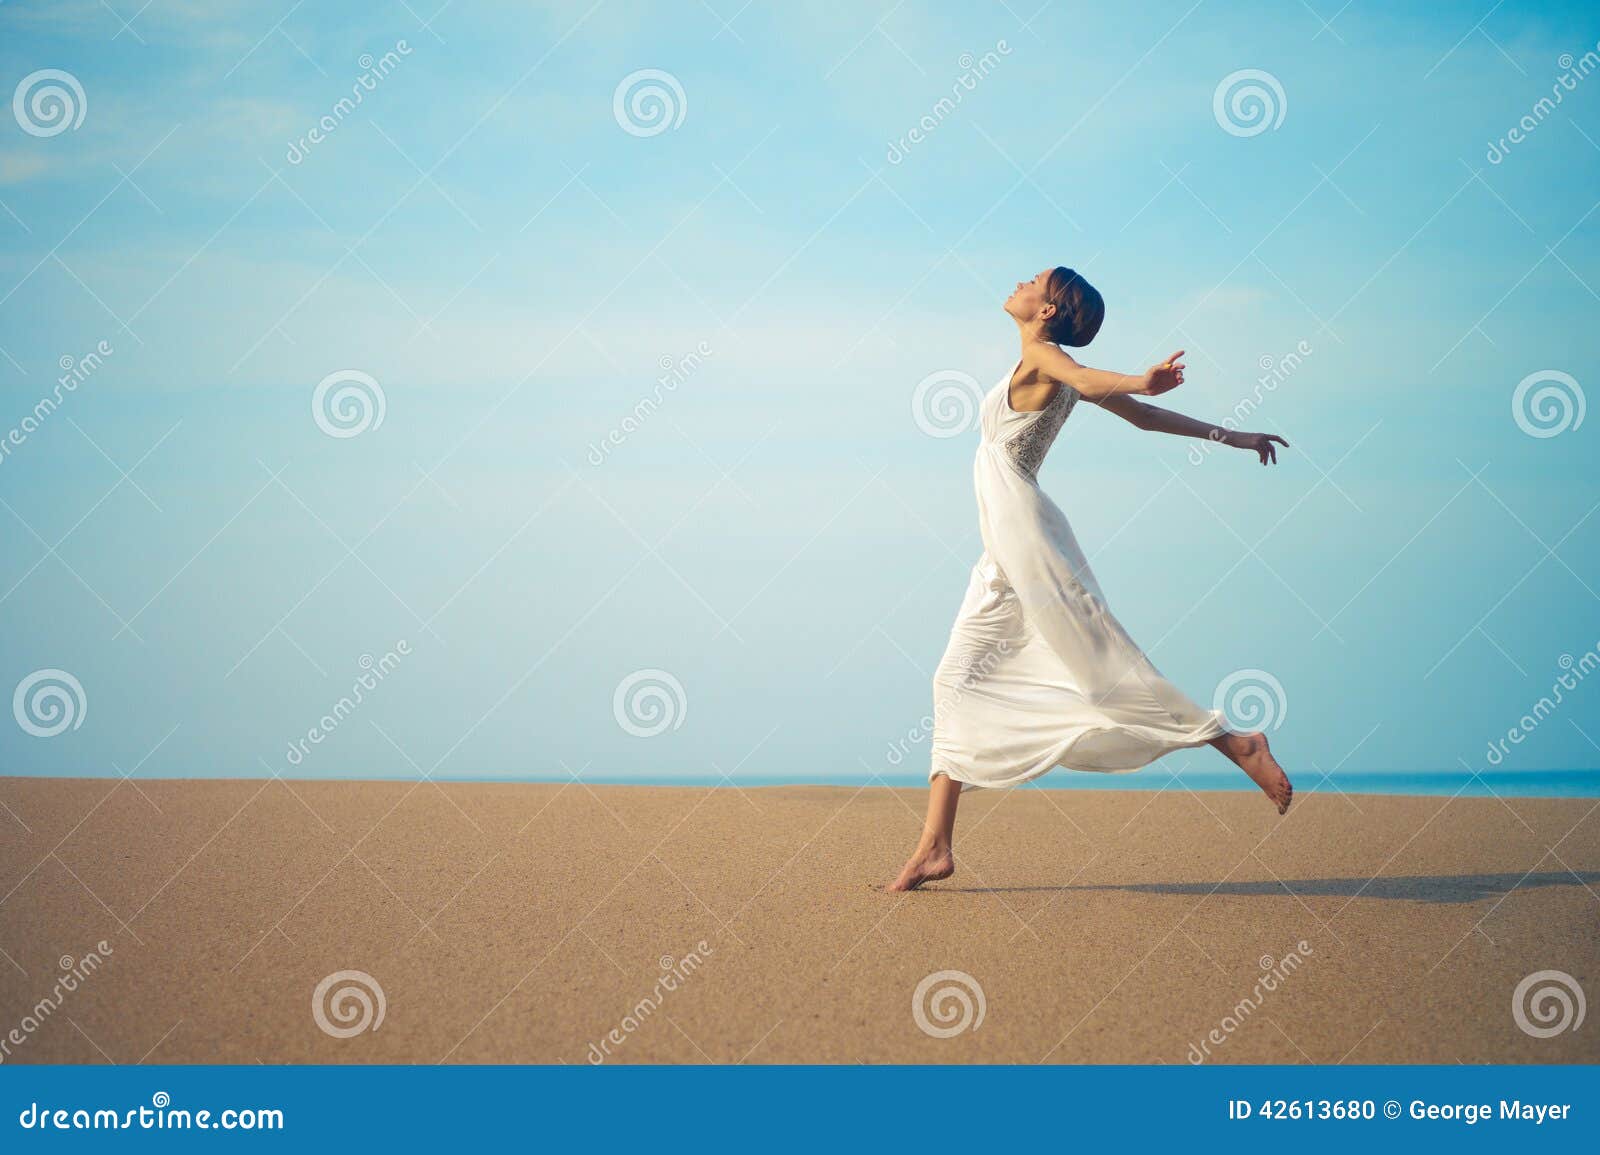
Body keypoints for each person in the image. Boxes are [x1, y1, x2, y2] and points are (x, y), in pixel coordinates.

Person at [887, 267, 1293, 893]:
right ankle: (935, 847)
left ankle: (1235, 743)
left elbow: (1108, 390)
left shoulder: (1049, 360)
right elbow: (1147, 421)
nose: (1019, 282)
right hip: (1001, 547)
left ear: (1045, 310)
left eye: (1033, 280)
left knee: (1099, 657)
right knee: (955, 678)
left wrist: (1147, 385)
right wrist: (1232, 434)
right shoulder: (1040, 361)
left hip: (1026, 534)